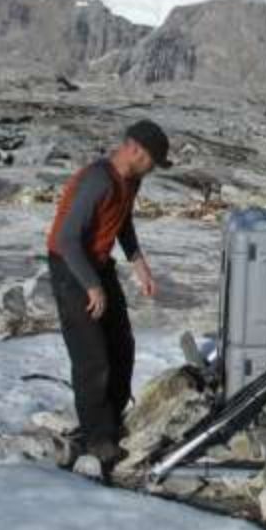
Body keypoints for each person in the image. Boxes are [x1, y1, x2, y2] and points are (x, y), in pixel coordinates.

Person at [45, 119, 171, 471]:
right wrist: (92, 285)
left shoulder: (130, 180)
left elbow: (123, 221)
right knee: (92, 357)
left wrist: (138, 263)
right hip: (71, 268)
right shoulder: (98, 180)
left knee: (121, 344)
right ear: (134, 149)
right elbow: (67, 239)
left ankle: (112, 422)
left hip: (97, 265)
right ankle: (97, 440)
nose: (153, 169)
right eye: (152, 161)